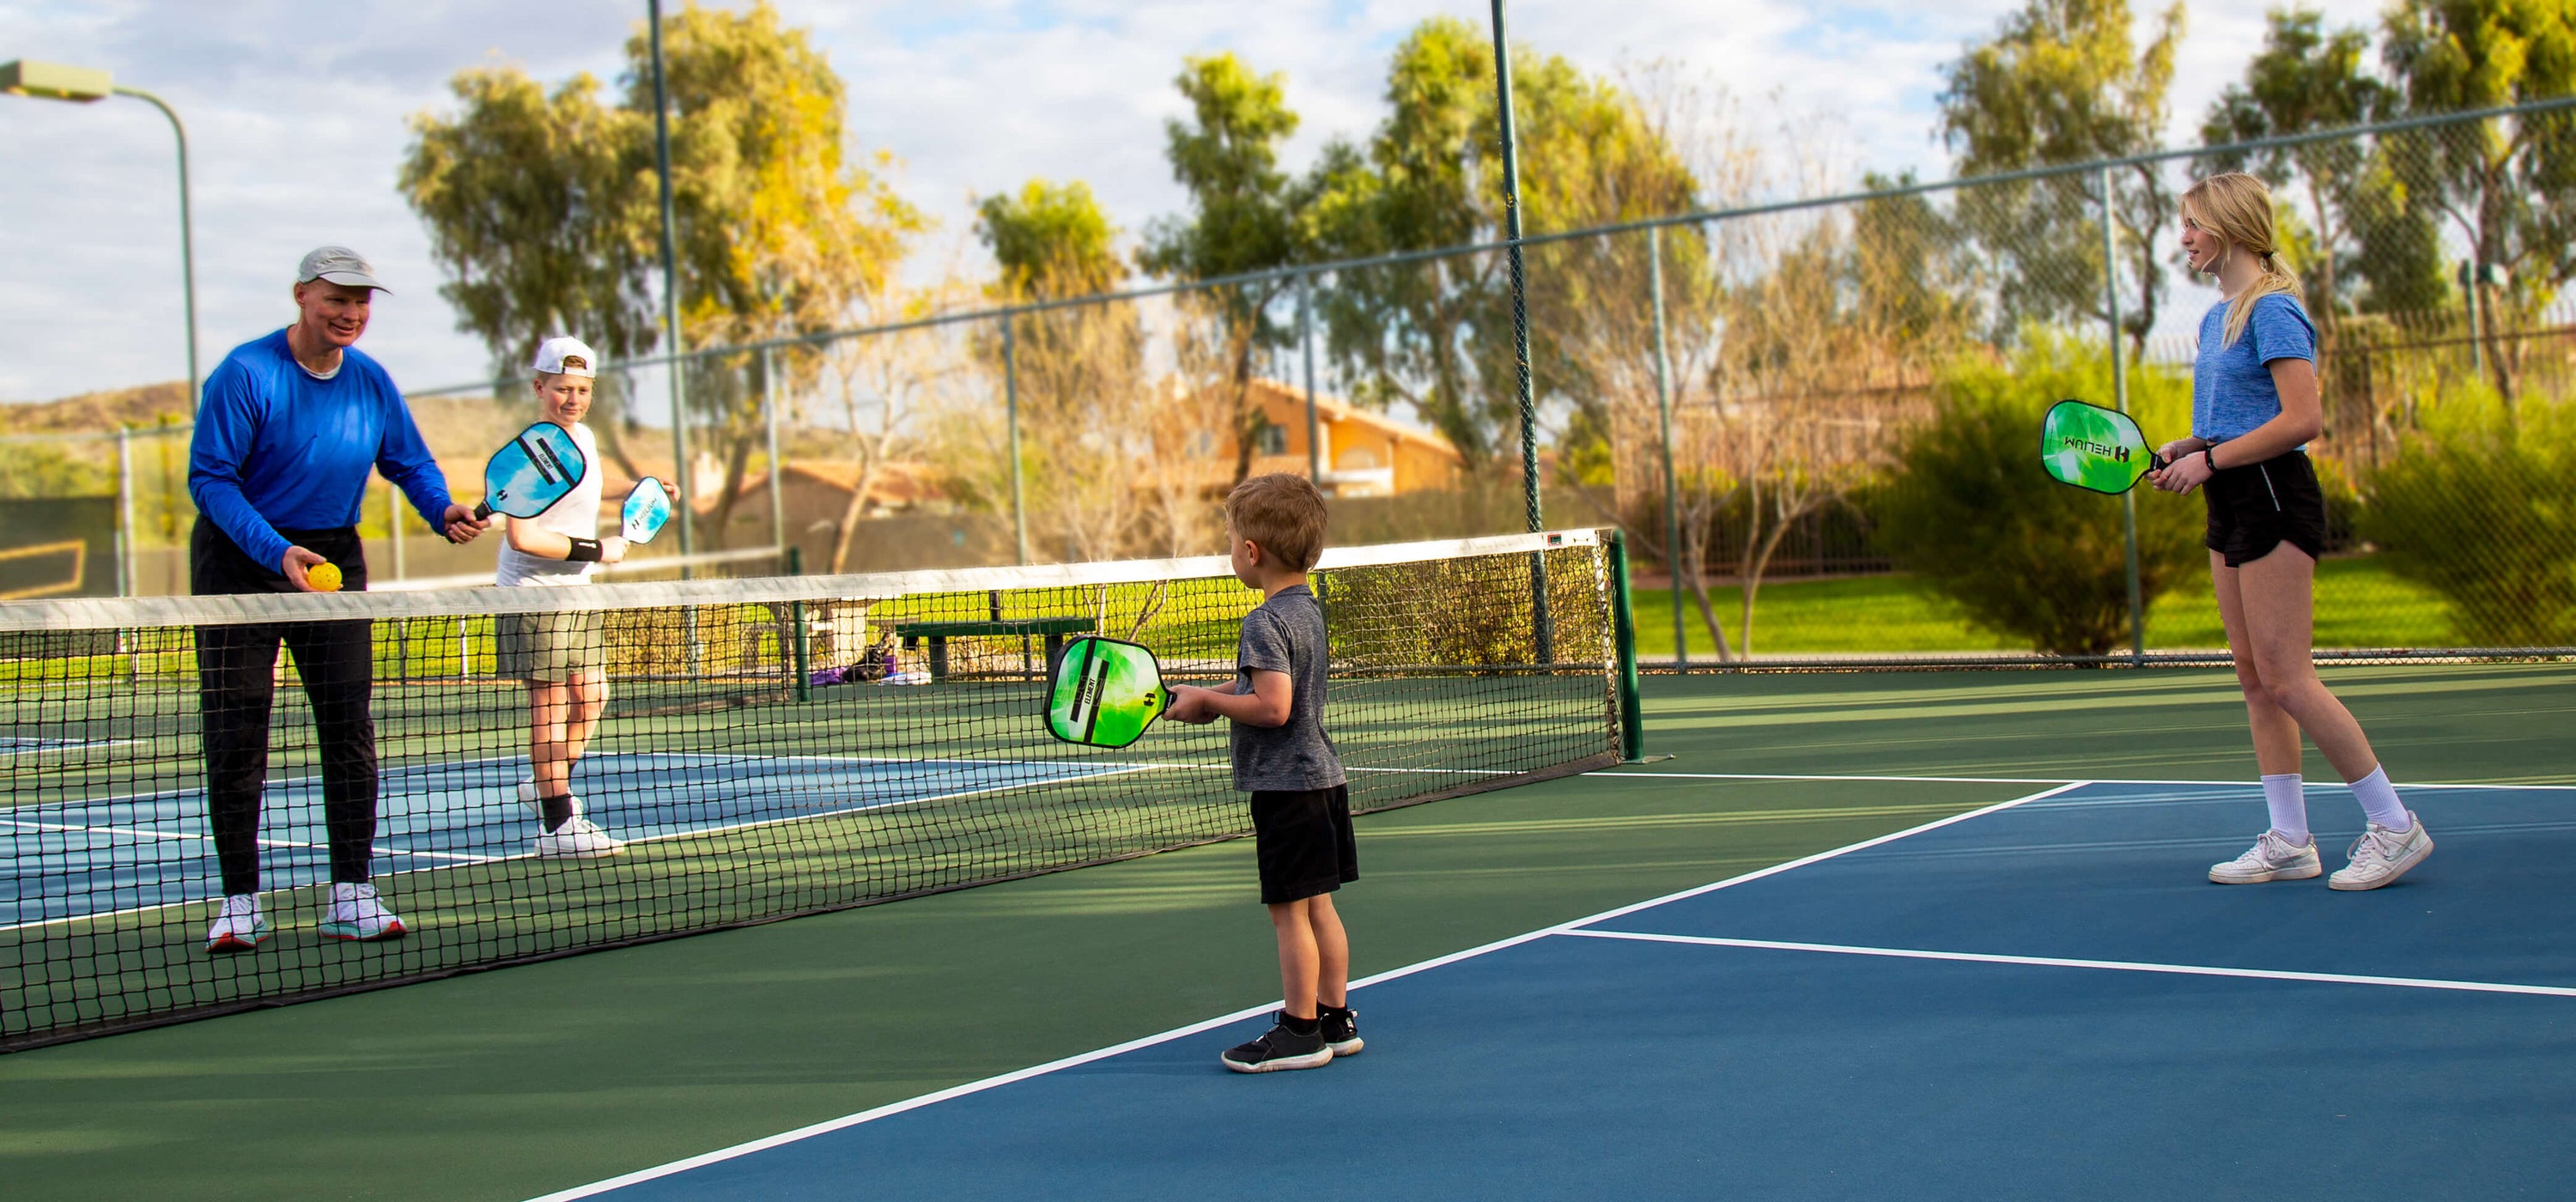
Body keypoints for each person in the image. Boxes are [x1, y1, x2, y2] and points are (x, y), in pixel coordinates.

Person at [191, 246, 488, 952]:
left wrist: (441, 510)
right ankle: (239, 903)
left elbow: (408, 462)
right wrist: (276, 552)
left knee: (348, 727)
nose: (350, 313)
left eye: (361, 301)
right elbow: (211, 480)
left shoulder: (371, 381)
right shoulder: (246, 373)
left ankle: (352, 892)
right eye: (336, 299)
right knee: (238, 731)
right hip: (241, 559)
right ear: (301, 296)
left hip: (334, 558)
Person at [2148, 173, 2432, 891]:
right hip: (2232, 497)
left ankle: (2395, 826)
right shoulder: (2218, 318)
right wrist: (2191, 448)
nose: (2182, 238)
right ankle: (2290, 841)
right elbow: (2235, 418)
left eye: (2192, 224)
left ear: (2229, 226)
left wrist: (2212, 459)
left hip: (2275, 495)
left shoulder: (2274, 309)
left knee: (2288, 677)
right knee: (2253, 678)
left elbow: (2302, 421)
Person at [1167, 473, 1361, 1072]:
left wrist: (1217, 703)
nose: (1230, 549)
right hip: (1322, 781)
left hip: (1287, 790)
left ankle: (1301, 1029)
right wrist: (1208, 694)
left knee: (1289, 913)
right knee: (1319, 906)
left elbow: (1272, 707)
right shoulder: (1308, 610)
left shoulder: (1262, 620)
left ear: (1251, 551)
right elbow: (1268, 686)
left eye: (1230, 539)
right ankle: (1335, 1017)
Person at [496, 337, 626, 859]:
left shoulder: (585, 439)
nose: (571, 399)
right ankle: (556, 823)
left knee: (593, 695)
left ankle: (548, 783)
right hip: (533, 596)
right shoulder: (533, 452)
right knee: (548, 706)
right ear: (539, 388)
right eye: (561, 389)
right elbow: (521, 538)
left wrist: (641, 487)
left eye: (581, 389)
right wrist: (599, 549)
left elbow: (590, 483)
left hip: (578, 594)